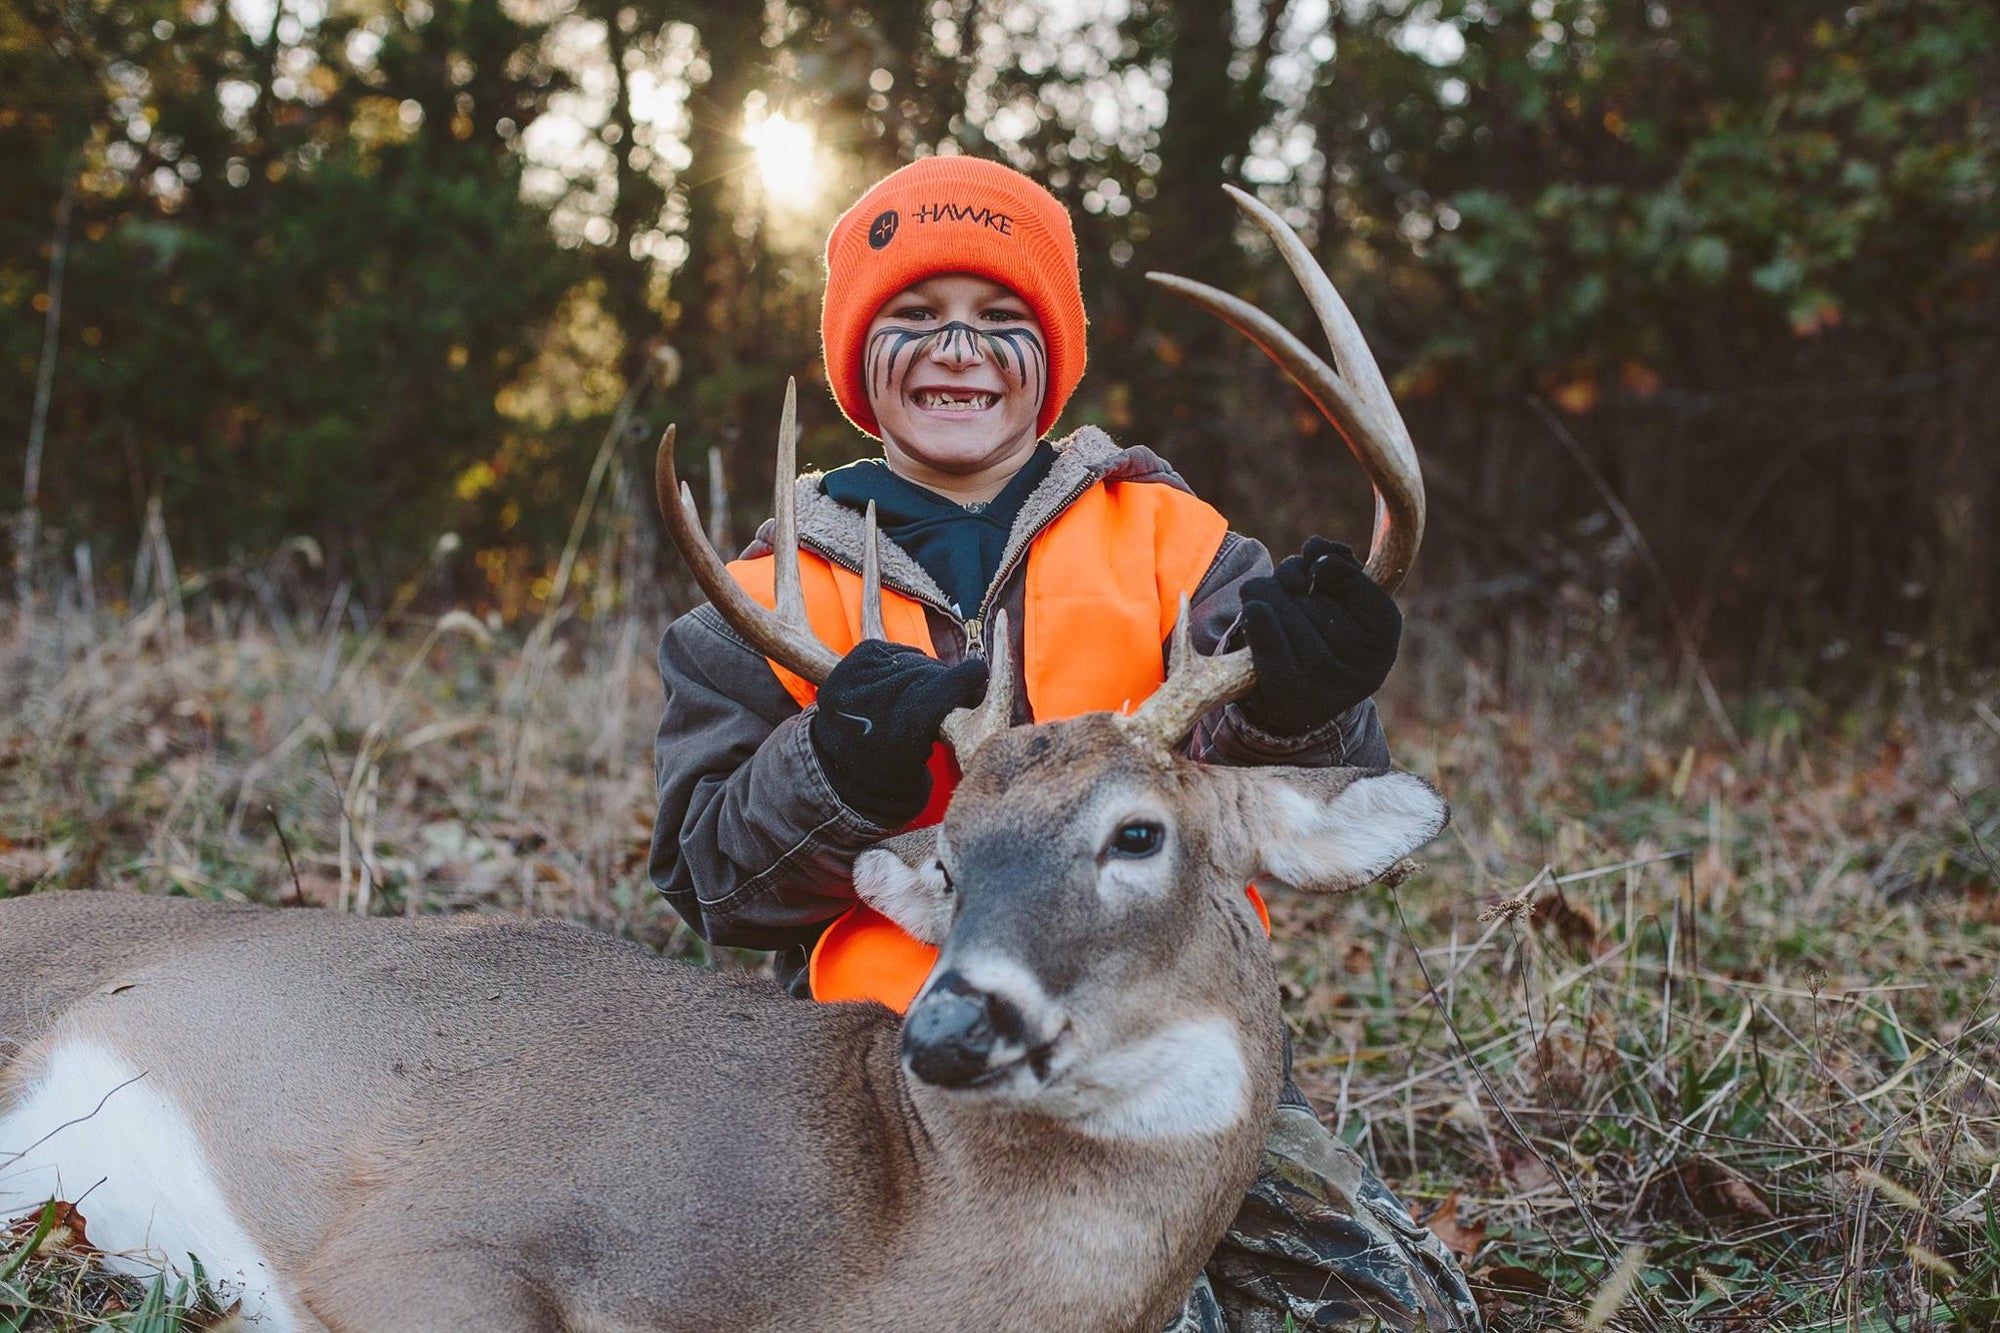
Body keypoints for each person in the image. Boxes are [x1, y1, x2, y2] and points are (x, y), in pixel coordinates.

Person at [649, 155, 1479, 1332]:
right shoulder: (751, 606)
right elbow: (708, 877)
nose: (957, 349)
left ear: (1051, 354)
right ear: (853, 360)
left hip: (1164, 1058)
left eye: (1001, 319)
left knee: (1392, 1315)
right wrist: (835, 769)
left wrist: (1305, 699)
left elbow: (1300, 788)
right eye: (912, 318)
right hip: (892, 1084)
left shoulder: (1174, 544)